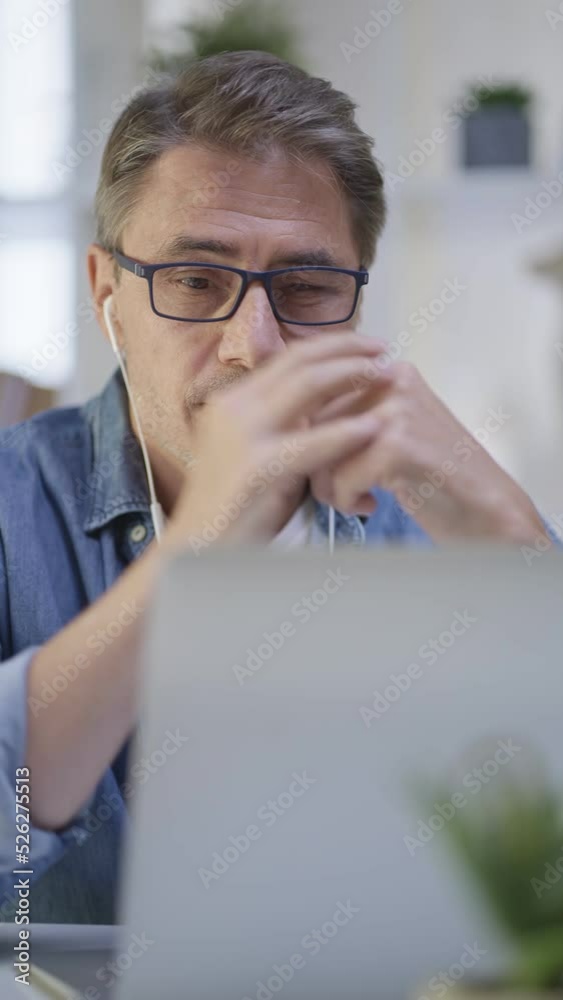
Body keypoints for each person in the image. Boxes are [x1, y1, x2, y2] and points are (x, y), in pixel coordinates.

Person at [0, 51, 550, 924]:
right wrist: (196, 556)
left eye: (303, 287)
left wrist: (517, 554)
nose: (251, 347)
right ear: (107, 292)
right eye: (193, 281)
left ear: (354, 305)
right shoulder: (10, 509)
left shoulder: (436, 523)